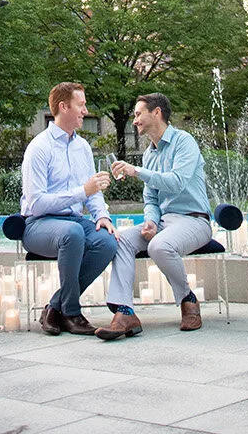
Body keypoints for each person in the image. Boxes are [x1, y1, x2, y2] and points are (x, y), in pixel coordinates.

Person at [96, 92, 216, 337]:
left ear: (157, 112)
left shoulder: (184, 142)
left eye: (138, 114)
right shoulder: (150, 154)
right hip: (164, 222)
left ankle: (188, 299)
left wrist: (136, 171)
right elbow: (151, 198)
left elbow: (177, 182)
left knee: (159, 246)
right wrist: (150, 220)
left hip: (194, 220)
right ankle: (125, 312)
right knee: (121, 240)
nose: (135, 121)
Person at [20, 81, 116, 336]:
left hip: (73, 222)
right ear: (63, 107)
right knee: (71, 234)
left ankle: (54, 307)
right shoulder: (39, 148)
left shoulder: (82, 147)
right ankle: (72, 312)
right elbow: (37, 203)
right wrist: (81, 192)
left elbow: (93, 191)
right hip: (38, 225)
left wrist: (102, 215)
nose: (85, 110)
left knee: (107, 242)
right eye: (81, 105)